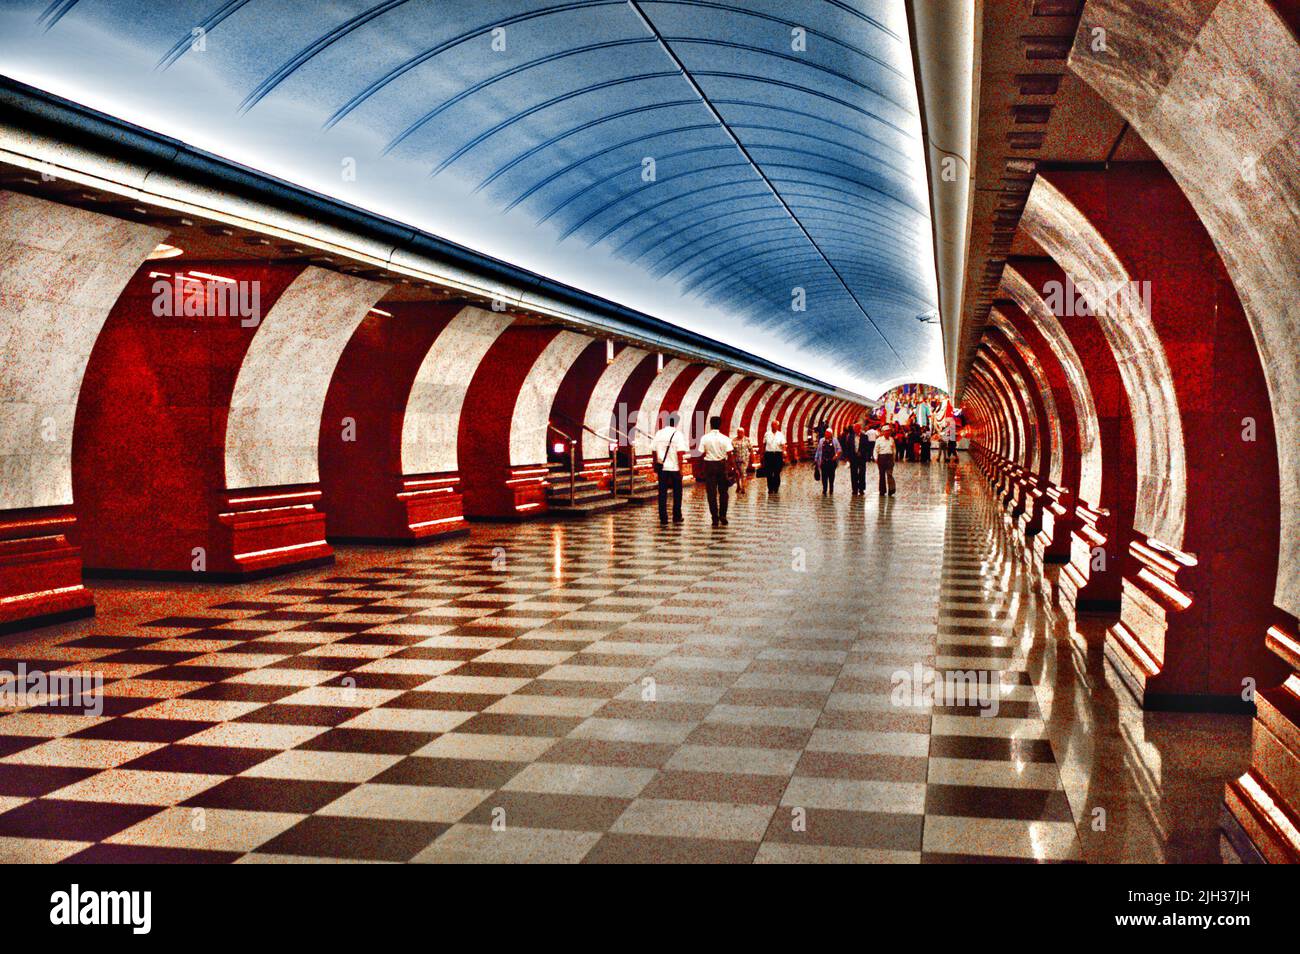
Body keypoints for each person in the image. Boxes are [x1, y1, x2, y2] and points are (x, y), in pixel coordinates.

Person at [651, 411, 689, 525]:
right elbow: (680, 453)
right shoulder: (678, 434)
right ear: (676, 423)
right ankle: (677, 516)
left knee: (662, 493)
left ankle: (663, 518)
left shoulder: (659, 433)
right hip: (674, 468)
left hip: (662, 468)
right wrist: (681, 470)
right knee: (677, 493)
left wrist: (655, 464)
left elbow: (653, 450)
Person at [699, 416, 736, 527]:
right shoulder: (725, 438)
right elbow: (730, 455)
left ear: (710, 424)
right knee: (723, 492)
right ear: (720, 425)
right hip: (721, 466)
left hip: (709, 466)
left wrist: (702, 468)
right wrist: (732, 468)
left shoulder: (704, 438)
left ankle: (714, 517)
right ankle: (723, 515)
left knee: (711, 493)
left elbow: (701, 453)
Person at [762, 419, 786, 493]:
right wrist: (762, 454)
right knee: (769, 472)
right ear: (771, 426)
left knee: (777, 472)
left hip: (778, 454)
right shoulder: (767, 434)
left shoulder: (780, 434)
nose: (774, 426)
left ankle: (776, 487)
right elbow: (764, 444)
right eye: (773, 425)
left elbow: (783, 445)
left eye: (775, 425)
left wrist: (784, 452)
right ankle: (770, 488)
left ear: (778, 426)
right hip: (769, 454)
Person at [815, 430, 841, 495]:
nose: (826, 435)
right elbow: (818, 450)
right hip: (823, 461)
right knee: (824, 476)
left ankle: (831, 489)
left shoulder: (835, 441)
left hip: (832, 462)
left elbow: (839, 449)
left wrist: (836, 456)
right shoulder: (821, 440)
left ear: (831, 434)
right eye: (825, 433)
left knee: (831, 476)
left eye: (827, 433)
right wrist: (816, 459)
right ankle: (824, 489)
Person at [847, 422, 869, 494]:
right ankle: (855, 489)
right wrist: (848, 456)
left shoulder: (864, 436)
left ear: (859, 429)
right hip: (853, 458)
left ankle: (861, 489)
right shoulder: (850, 436)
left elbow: (867, 447)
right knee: (853, 473)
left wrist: (861, 452)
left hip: (862, 458)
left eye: (856, 428)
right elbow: (848, 447)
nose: (855, 430)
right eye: (854, 429)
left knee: (862, 473)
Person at [875, 424, 897, 496]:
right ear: (883, 432)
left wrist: (893, 458)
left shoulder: (891, 439)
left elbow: (894, 449)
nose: (888, 433)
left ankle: (891, 489)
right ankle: (882, 490)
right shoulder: (879, 440)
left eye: (889, 431)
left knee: (889, 474)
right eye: (886, 431)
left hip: (889, 457)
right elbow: (876, 450)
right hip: (881, 457)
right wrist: (876, 458)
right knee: (882, 474)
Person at [732, 427, 753, 493]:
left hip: (744, 459)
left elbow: (751, 449)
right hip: (736, 459)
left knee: (743, 473)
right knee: (737, 473)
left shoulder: (747, 440)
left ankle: (743, 487)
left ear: (743, 433)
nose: (740, 434)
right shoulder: (734, 440)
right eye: (738, 432)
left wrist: (752, 459)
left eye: (741, 432)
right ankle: (738, 486)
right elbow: (732, 451)